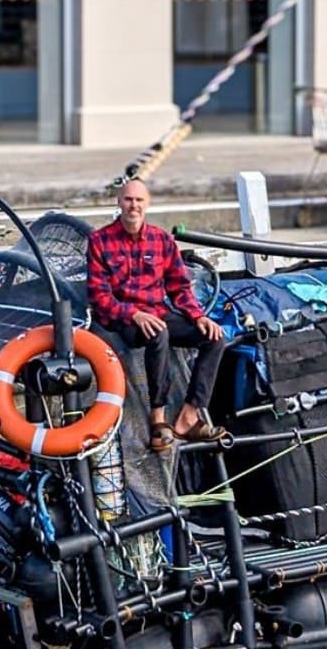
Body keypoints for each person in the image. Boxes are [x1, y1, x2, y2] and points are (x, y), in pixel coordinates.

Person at [86, 179, 226, 450]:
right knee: (158, 332)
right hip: (121, 319)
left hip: (158, 312)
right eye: (128, 199)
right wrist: (133, 314)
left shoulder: (162, 240)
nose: (133, 205)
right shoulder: (99, 240)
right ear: (118, 202)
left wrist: (198, 316)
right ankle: (158, 419)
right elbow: (99, 297)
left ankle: (189, 416)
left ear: (147, 204)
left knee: (214, 337)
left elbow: (179, 287)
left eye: (139, 200)